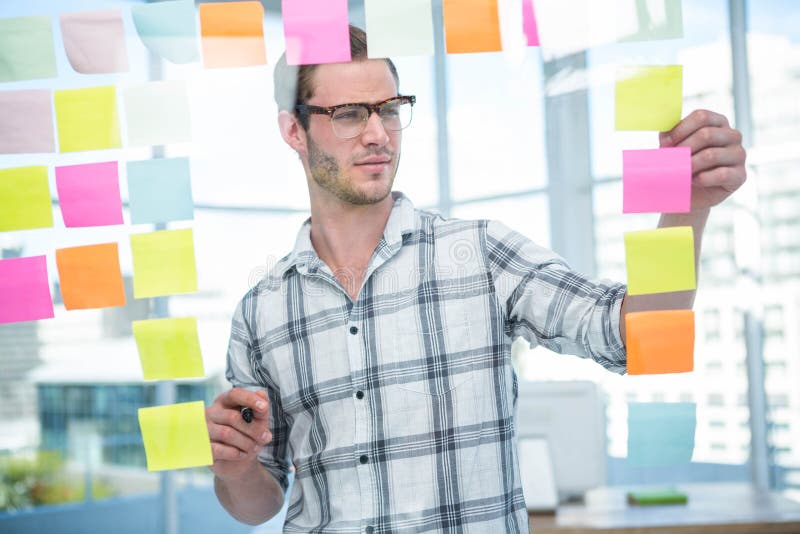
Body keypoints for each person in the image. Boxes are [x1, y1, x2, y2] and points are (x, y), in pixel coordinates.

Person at [205, 25, 747, 532]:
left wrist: (689, 207)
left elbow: (639, 336)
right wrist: (233, 467)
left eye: (390, 110)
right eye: (349, 113)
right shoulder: (262, 309)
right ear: (294, 130)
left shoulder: (481, 255)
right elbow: (259, 503)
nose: (378, 134)